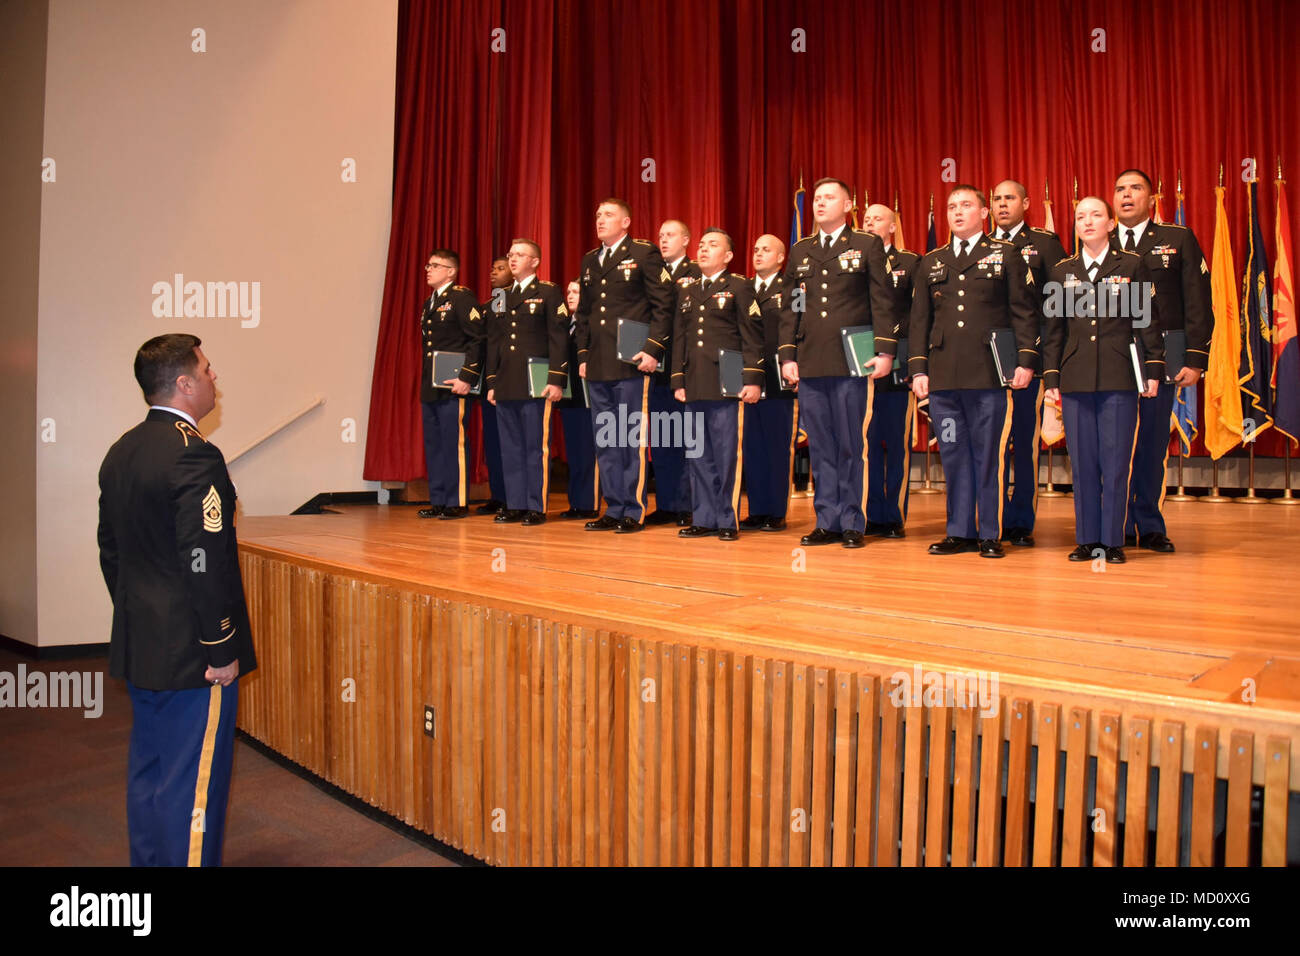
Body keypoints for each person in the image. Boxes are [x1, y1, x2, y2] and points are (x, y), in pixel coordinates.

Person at [97, 333, 257, 866]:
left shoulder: (124, 449)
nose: (216, 379)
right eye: (209, 371)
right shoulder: (195, 456)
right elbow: (204, 558)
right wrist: (219, 645)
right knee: (194, 786)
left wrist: (141, 617)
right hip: (194, 655)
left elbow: (111, 553)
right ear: (184, 384)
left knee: (151, 771)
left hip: (144, 642)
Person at [903, 185, 1038, 558]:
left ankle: (990, 532)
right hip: (945, 379)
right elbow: (920, 322)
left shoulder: (1006, 254)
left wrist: (1024, 361)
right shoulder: (931, 260)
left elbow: (1024, 313)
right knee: (953, 452)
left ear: (984, 213)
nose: (958, 212)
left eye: (966, 205)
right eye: (951, 207)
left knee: (988, 453)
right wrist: (918, 370)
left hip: (989, 375)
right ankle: (959, 530)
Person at [1043, 197, 1163, 562]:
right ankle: (1086, 539)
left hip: (1118, 375)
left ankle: (1111, 541)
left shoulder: (1131, 264)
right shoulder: (1063, 271)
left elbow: (1146, 321)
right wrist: (1052, 376)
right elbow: (1054, 331)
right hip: (1076, 376)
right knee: (1082, 462)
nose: (1088, 221)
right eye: (1080, 216)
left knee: (1115, 461)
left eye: (1096, 215)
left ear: (1111, 223)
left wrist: (1153, 368)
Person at [778, 177, 893, 549]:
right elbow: (792, 306)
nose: (820, 203)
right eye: (817, 198)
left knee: (850, 444)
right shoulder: (801, 250)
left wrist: (886, 351)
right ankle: (826, 520)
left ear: (847, 206)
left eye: (830, 198)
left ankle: (852, 522)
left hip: (852, 361)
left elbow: (882, 301)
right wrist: (787, 354)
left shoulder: (866, 244)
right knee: (822, 445)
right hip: (811, 360)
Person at [1111, 168, 1213, 553]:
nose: (1126, 195)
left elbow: (1198, 301)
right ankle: (1113, 523)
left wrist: (1195, 357)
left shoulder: (1176, 238)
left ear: (1151, 199)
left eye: (1135, 188)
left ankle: (1149, 524)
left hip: (1161, 359)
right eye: (1120, 189)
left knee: (1152, 444)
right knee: (1114, 446)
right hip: (1112, 359)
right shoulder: (1097, 241)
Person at [575, 197, 674, 533]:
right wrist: (584, 355)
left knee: (629, 436)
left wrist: (653, 349)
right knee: (606, 438)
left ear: (626, 222)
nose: (601, 220)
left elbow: (663, 304)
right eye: (598, 214)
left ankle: (633, 508)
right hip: (599, 362)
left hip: (632, 361)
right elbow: (585, 314)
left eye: (609, 215)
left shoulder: (644, 253)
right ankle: (613, 507)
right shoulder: (590, 260)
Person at [990, 180, 1068, 547]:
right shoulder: (982, 245)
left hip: (1028, 358)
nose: (1002, 205)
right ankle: (991, 516)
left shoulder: (1045, 244)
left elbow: (1057, 307)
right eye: (997, 199)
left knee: (1023, 441)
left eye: (1010, 198)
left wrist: (1045, 359)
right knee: (991, 444)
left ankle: (1020, 520)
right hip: (986, 361)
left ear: (1026, 202)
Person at [671, 228, 764, 539]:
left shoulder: (739, 286)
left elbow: (751, 336)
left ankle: (727, 519)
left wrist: (752, 379)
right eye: (701, 245)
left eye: (713, 245)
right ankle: (704, 517)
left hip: (728, 381)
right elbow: (680, 339)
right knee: (698, 454)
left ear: (728, 256)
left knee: (726, 454)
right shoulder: (687, 290)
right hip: (694, 381)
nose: (704, 249)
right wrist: (677, 379)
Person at [484, 239, 569, 525]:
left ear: (535, 261)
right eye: (511, 255)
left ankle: (536, 505)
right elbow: (494, 340)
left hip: (536, 380)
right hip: (506, 380)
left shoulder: (547, 291)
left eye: (520, 254)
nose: (513, 259)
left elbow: (558, 338)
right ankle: (515, 503)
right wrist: (492, 381)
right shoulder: (500, 295)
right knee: (510, 447)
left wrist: (557, 379)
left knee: (535, 445)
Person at [861, 204, 919, 538]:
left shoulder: (910, 263)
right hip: (860, 364)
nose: (869, 223)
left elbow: (916, 315)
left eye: (877, 219)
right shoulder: (852, 261)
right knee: (865, 443)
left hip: (897, 366)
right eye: (865, 219)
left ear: (893, 226)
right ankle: (867, 512)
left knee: (896, 443)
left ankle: (893, 514)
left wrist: (912, 362)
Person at [417, 249, 486, 519]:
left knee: (454, 442)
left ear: (451, 271)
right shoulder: (429, 303)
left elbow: (476, 338)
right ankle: (439, 499)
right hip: (432, 383)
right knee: (435, 443)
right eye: (428, 265)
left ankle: (456, 501)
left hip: (453, 382)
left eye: (435, 265)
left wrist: (467, 376)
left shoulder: (460, 297)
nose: (428, 269)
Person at [647, 219, 701, 525]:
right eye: (660, 235)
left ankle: (688, 504)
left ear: (686, 240)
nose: (663, 240)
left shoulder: (695, 274)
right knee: (664, 439)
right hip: (656, 368)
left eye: (670, 235)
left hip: (685, 369)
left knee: (687, 439)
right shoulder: (652, 275)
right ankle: (667, 503)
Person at [741, 234, 796, 532]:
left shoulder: (792, 288)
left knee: (776, 447)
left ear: (780, 257)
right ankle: (757, 510)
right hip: (748, 379)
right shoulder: (743, 289)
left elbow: (798, 326)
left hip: (778, 381)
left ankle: (776, 511)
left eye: (766, 250)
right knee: (752, 448)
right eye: (755, 249)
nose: (759, 254)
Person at [558, 279, 600, 519]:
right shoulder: (566, 324)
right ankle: (576, 502)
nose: (570, 295)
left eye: (576, 291)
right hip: (570, 396)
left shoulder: (592, 324)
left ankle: (588, 503)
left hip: (587, 398)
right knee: (574, 453)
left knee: (588, 452)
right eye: (569, 291)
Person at [476, 255, 512, 515]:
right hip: (488, 381)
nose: (494, 272)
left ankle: (515, 497)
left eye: (501, 268)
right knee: (494, 442)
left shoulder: (520, 301)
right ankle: (498, 495)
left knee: (512, 442)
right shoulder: (488, 306)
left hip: (511, 381)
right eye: (492, 268)